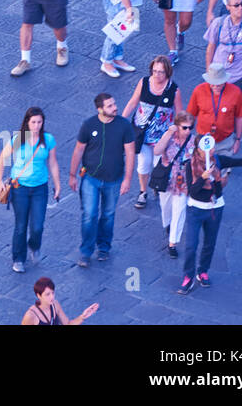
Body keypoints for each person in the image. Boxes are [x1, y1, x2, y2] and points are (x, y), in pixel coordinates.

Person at [179, 140, 242, 292]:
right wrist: (203, 177)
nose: (210, 152)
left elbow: (239, 162)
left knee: (209, 244)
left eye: (211, 149)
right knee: (191, 245)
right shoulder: (190, 165)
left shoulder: (218, 160)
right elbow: (192, 191)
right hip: (196, 208)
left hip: (215, 207)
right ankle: (188, 276)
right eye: (206, 149)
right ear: (198, 150)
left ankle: (202, 271)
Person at [70, 92, 136, 267]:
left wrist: (128, 179)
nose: (115, 107)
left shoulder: (124, 126)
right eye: (110, 106)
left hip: (114, 179)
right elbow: (78, 150)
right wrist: (72, 175)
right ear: (100, 109)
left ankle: (104, 247)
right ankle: (85, 252)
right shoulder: (88, 125)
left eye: (114, 104)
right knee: (89, 215)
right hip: (90, 178)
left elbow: (130, 153)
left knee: (108, 214)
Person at [0, 107, 63, 272]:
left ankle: (34, 245)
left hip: (40, 187)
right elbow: (2, 158)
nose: (36, 125)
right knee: (21, 225)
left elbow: (53, 163)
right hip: (20, 188)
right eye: (33, 122)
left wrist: (58, 184)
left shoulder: (48, 140)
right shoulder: (19, 139)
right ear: (27, 122)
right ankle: (18, 258)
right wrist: (0, 181)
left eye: (39, 122)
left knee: (38, 226)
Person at [122, 55, 182, 207]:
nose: (156, 75)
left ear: (167, 72)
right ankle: (143, 191)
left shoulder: (174, 90)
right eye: (154, 71)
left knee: (159, 164)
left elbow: (179, 114)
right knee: (143, 163)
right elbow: (133, 102)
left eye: (160, 72)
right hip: (142, 133)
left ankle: (156, 184)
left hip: (162, 137)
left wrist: (177, 133)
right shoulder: (144, 82)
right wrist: (121, 120)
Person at [203, 0, 242, 107]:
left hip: (238, 76)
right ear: (227, 7)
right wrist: (208, 70)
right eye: (236, 5)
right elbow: (210, 48)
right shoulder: (218, 23)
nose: (240, 8)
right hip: (218, 73)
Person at [152, 111, 196, 256]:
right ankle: (167, 225)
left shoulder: (194, 141)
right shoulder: (169, 138)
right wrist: (167, 134)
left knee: (180, 211)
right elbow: (157, 151)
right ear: (177, 126)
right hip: (167, 179)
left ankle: (173, 243)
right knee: (165, 207)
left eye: (190, 127)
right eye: (184, 127)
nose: (188, 130)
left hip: (184, 182)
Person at [187, 63, 242, 151]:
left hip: (226, 141)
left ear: (224, 80)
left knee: (225, 164)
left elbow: (239, 117)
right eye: (212, 83)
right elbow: (190, 115)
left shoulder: (236, 92)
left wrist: (238, 140)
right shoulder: (199, 90)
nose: (215, 87)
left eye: (218, 84)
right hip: (203, 139)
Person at [21, 277, 99, 324]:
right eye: (47, 294)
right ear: (38, 295)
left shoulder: (55, 305)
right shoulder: (31, 315)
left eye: (52, 293)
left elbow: (68, 324)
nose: (52, 297)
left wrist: (83, 316)